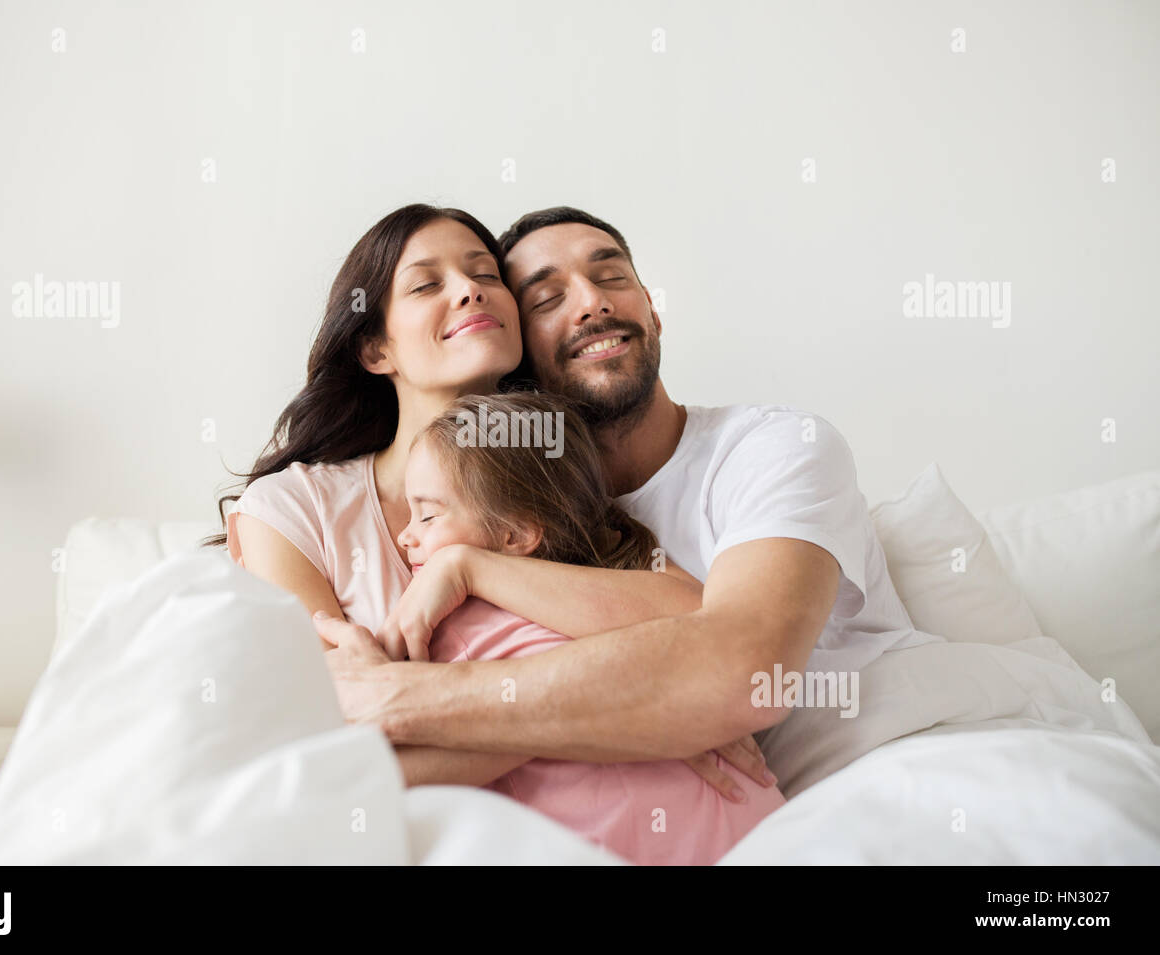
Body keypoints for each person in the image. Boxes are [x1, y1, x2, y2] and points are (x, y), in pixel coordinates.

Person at [315, 206, 944, 768]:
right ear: (518, 350)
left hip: (902, 746)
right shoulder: (529, 530)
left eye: (612, 276)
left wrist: (398, 695)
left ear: (653, 310)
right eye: (546, 298)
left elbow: (749, 671)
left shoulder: (772, 446)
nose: (592, 302)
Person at [208, 203, 772, 801]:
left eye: (486, 276)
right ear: (376, 350)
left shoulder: (548, 467)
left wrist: (469, 568)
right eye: (428, 284)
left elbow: (690, 619)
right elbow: (326, 758)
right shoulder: (296, 509)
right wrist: (632, 715)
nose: (470, 292)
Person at [394, 391, 785, 865]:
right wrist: (633, 717)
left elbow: (701, 616)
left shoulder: (452, 619)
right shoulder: (614, 588)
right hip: (762, 828)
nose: (405, 535)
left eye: (428, 514)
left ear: (516, 535)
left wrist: (463, 566)